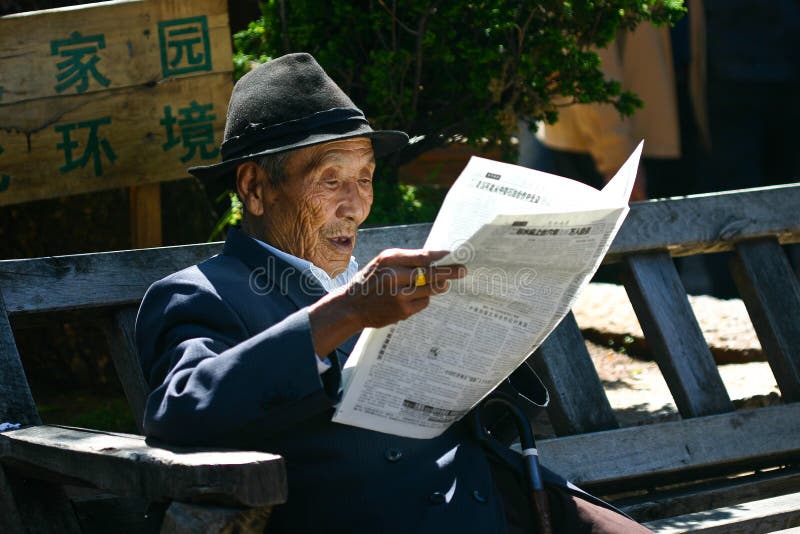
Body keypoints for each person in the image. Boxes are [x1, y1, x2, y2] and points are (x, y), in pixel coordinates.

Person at [136, 53, 651, 533]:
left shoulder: (394, 282)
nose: (356, 206)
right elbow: (180, 410)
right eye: (331, 179)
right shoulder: (202, 293)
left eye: (365, 178)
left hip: (495, 500)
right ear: (254, 188)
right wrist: (345, 311)